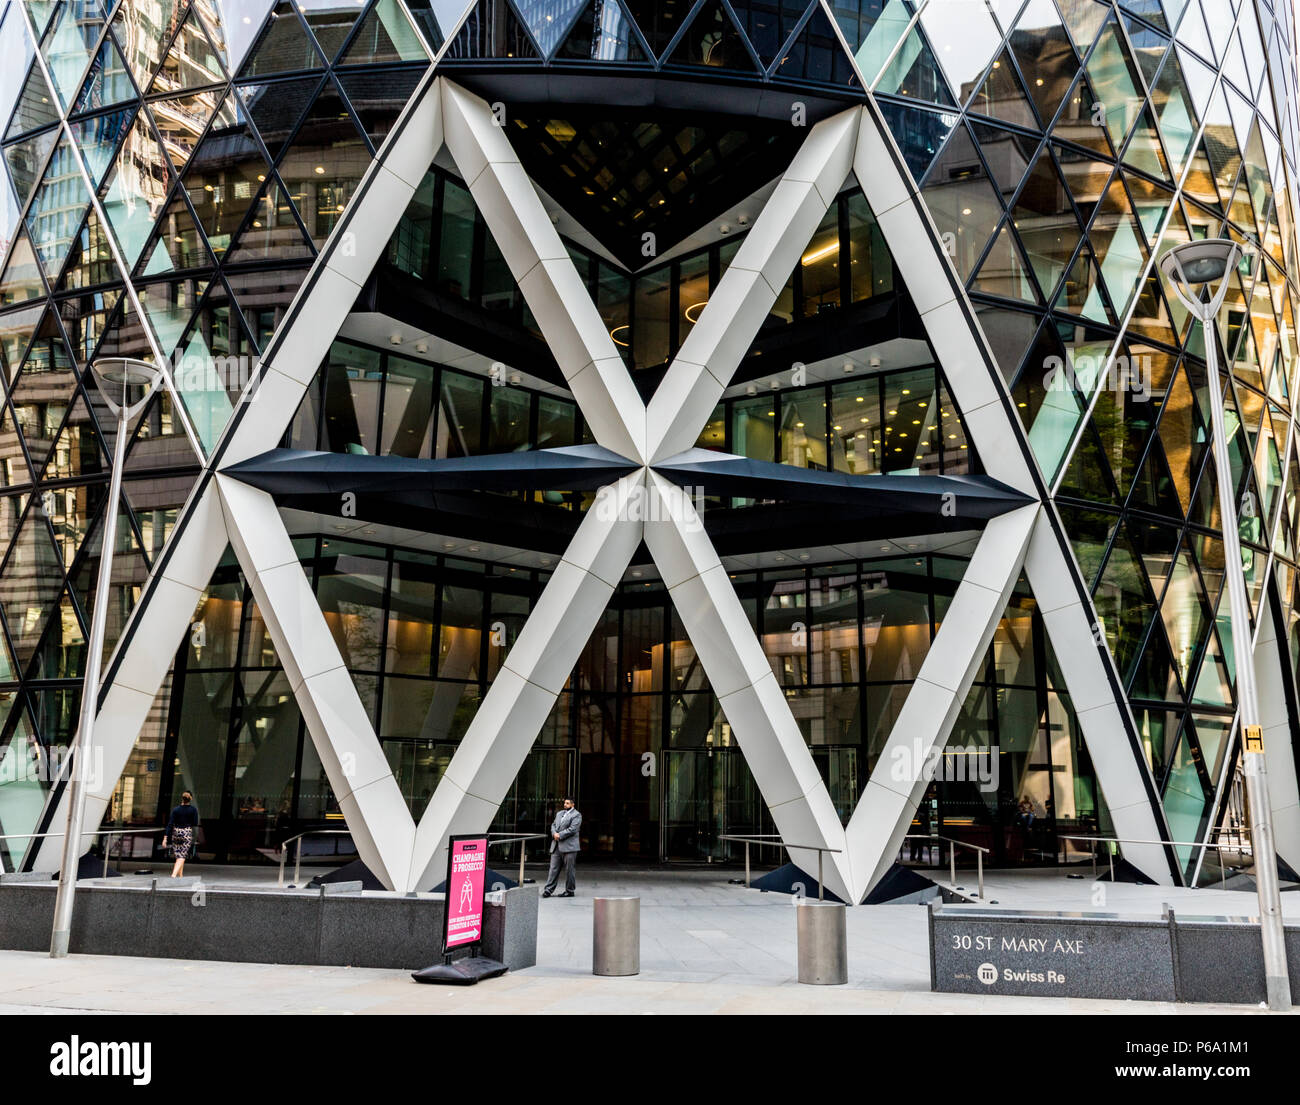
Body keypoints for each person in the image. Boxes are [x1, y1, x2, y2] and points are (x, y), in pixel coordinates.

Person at [542, 796, 582, 898]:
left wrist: (559, 835)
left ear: (573, 804)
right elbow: (553, 825)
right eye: (565, 803)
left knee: (569, 870)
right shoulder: (559, 813)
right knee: (553, 869)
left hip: (569, 847)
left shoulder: (577, 815)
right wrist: (554, 833)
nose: (565, 805)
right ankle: (548, 890)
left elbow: (573, 829)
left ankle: (569, 891)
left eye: (568, 803)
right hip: (556, 846)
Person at [162, 792, 199, 878]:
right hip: (186, 833)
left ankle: (181, 876)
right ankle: (174, 875)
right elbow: (195, 823)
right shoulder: (193, 810)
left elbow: (170, 824)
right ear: (191, 799)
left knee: (179, 856)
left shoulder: (176, 809)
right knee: (182, 856)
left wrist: (165, 838)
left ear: (182, 799)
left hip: (176, 833)